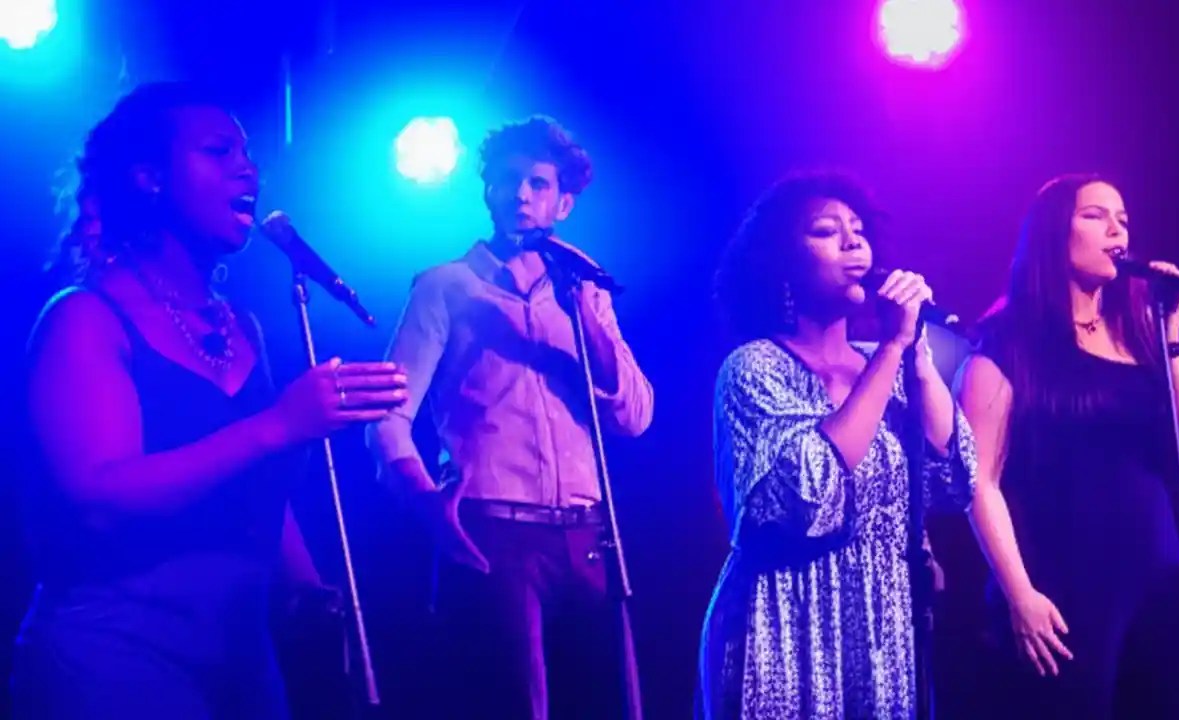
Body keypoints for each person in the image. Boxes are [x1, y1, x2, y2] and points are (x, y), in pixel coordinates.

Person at [12, 82, 408, 719]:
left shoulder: (240, 327)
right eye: (219, 151)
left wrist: (307, 587)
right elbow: (100, 501)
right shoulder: (86, 317)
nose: (248, 168)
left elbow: (255, 487)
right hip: (113, 662)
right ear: (149, 178)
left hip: (240, 664)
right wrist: (281, 424)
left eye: (248, 154)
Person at [367, 115, 654, 720]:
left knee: (606, 702)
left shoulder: (586, 294)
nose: (521, 193)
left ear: (564, 202)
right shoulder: (445, 286)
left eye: (538, 183)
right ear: (487, 191)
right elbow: (390, 416)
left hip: (588, 533)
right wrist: (424, 500)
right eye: (507, 180)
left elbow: (634, 416)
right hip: (496, 529)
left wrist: (587, 322)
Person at [699, 171, 976, 719]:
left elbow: (957, 476)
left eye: (858, 230)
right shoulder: (754, 367)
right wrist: (892, 348)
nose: (854, 242)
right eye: (827, 231)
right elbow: (807, 493)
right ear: (782, 264)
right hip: (786, 620)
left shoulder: (893, 364)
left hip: (883, 626)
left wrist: (915, 354)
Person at [955, 174, 1179, 719]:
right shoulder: (1012, 342)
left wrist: (1172, 330)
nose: (1117, 229)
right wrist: (1018, 593)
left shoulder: (1140, 333)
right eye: (1096, 215)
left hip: (1157, 582)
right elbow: (979, 480)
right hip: (1065, 584)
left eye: (1122, 218)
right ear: (1055, 232)